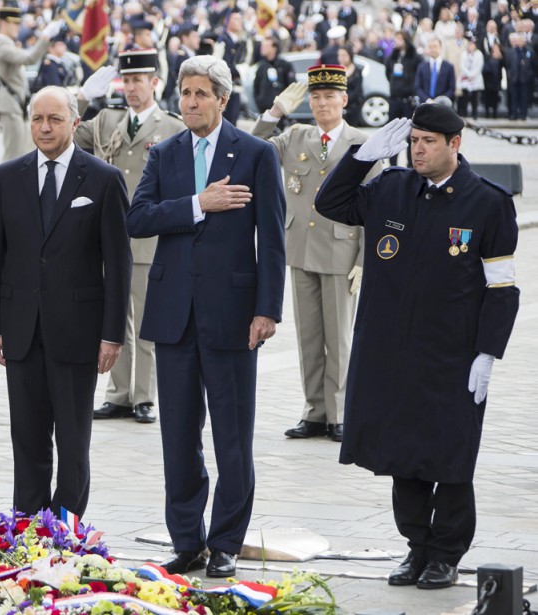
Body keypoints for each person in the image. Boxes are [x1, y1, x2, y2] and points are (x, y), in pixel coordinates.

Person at [315, 105, 519, 590]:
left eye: (430, 141)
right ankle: (416, 547)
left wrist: (488, 353)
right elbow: (330, 203)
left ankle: (446, 554)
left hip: (452, 357)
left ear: (456, 143)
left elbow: (502, 288)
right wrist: (362, 157)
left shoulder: (486, 202)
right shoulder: (391, 189)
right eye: (414, 141)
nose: (419, 150)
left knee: (449, 458)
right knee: (402, 455)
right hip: (391, 352)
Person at [127, 56, 285, 577]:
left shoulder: (257, 154)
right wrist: (199, 203)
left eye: (200, 93)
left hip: (233, 317)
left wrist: (267, 309)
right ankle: (187, 540)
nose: (190, 102)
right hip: (173, 317)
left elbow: (274, 238)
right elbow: (138, 218)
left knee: (232, 438)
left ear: (222, 98)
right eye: (184, 92)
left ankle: (226, 543)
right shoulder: (165, 152)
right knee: (178, 437)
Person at [0, 86, 131, 519]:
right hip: (21, 330)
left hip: (78, 332)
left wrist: (111, 335)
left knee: (72, 440)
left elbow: (118, 265)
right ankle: (27, 527)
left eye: (55, 119)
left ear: (75, 122)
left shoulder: (103, 179)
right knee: (26, 438)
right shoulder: (7, 176)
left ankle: (65, 529)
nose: (44, 128)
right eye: (37, 119)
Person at [252, 67, 382, 443]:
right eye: (316, 97)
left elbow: (377, 205)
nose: (322, 104)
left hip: (343, 252)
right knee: (309, 338)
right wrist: (274, 113)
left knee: (339, 339)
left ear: (344, 100)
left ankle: (340, 413)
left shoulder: (363, 143)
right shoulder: (295, 136)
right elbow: (249, 149)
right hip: (302, 250)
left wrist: (364, 261)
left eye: (330, 97)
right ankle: (315, 411)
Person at [72, 50, 185, 425]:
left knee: (146, 319)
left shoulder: (172, 127)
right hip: (106, 235)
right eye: (127, 80)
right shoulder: (106, 119)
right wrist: (82, 99)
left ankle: (143, 396)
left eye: (140, 80)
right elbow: (61, 129)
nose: (132, 87)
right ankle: (118, 394)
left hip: (149, 238)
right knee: (113, 319)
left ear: (155, 82)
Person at [0, 6, 61, 162]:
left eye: (18, 23)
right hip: (9, 104)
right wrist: (45, 37)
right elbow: (30, 58)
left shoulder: (9, 44)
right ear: (2, 22)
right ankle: (6, 186)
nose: (17, 27)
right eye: (12, 23)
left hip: (16, 104)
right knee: (13, 155)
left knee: (23, 152)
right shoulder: (2, 46)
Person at [386, 30, 421, 166]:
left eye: (399, 39)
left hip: (408, 100)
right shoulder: (393, 56)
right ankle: (392, 163)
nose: (397, 41)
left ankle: (410, 164)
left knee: (409, 133)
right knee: (393, 133)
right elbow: (388, 72)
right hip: (395, 99)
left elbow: (418, 74)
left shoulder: (414, 57)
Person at [252, 37, 296, 115]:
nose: (262, 48)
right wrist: (260, 102)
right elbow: (256, 88)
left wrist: (285, 104)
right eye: (262, 46)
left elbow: (292, 86)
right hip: (265, 110)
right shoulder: (261, 67)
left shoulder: (284, 65)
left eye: (266, 46)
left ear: (274, 48)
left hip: (280, 110)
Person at [414, 38, 457, 104]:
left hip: (443, 105)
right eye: (430, 47)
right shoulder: (421, 67)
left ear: (440, 48)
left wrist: (441, 100)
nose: (433, 49)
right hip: (425, 104)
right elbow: (417, 87)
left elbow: (451, 88)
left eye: (435, 46)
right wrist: (427, 100)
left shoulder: (449, 67)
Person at [458, 33, 485, 118]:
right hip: (465, 79)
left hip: (475, 79)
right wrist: (468, 74)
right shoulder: (464, 54)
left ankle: (474, 114)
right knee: (464, 98)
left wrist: (472, 75)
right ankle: (464, 113)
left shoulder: (479, 54)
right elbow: (462, 65)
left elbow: (479, 66)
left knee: (474, 98)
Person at [338, 46, 364, 126]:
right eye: (339, 55)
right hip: (339, 104)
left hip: (353, 104)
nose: (341, 58)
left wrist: (347, 100)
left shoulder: (357, 70)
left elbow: (357, 89)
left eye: (344, 55)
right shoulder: (337, 70)